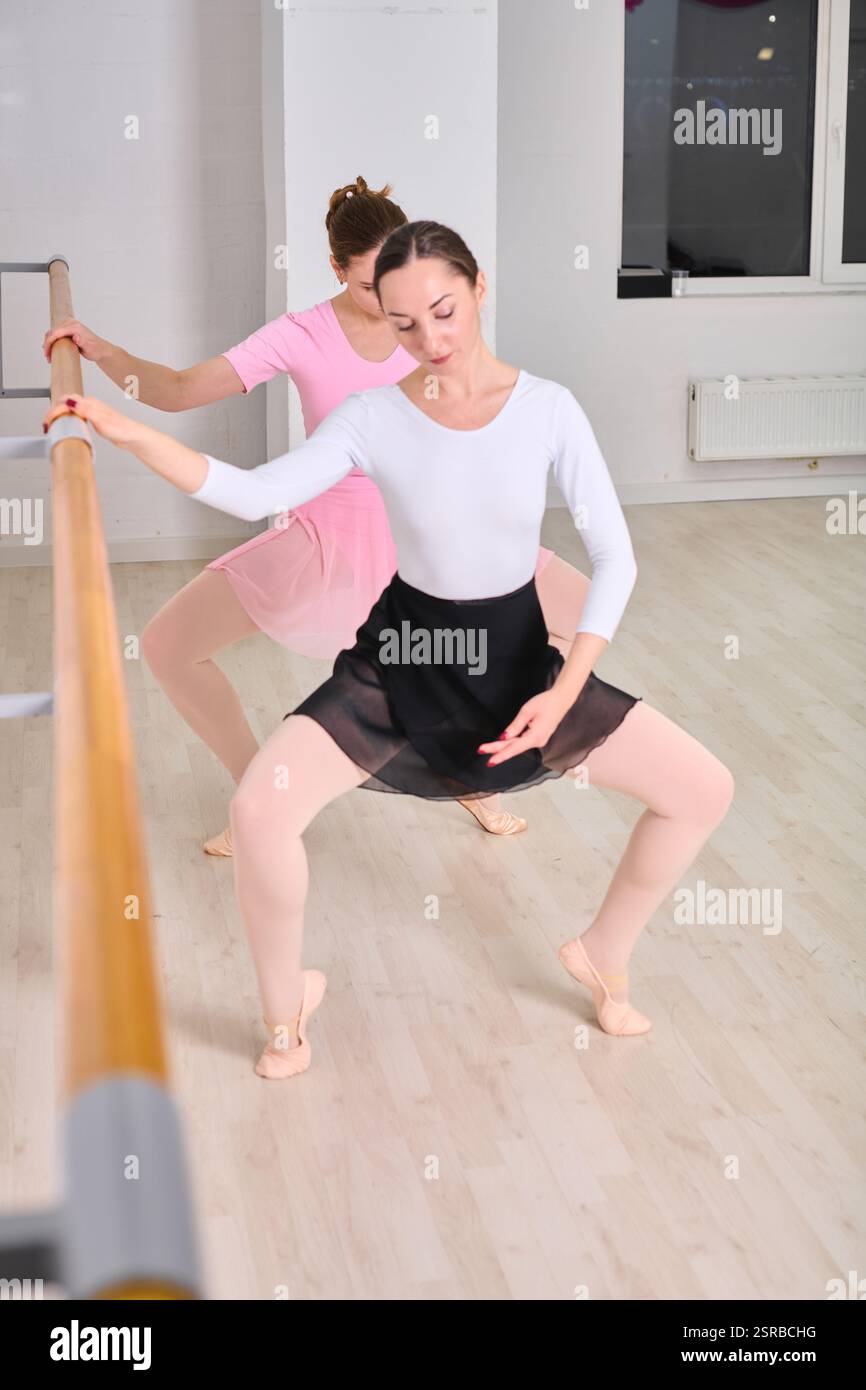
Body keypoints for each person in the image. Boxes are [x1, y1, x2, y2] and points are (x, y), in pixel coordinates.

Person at [43, 220, 735, 1081]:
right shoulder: (374, 417)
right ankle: (285, 1013)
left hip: (518, 665)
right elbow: (257, 492)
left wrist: (567, 690)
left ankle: (603, 952)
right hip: (403, 656)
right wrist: (128, 431)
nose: (431, 342)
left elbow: (616, 558)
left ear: (481, 290)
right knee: (260, 812)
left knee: (704, 788)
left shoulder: (548, 408)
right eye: (406, 325)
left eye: (445, 313)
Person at [42, 176, 594, 847]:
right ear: (336, 270)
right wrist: (105, 354)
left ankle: (469, 772)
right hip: (328, 539)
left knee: (578, 612)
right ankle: (262, 796)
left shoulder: (428, 323)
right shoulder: (302, 334)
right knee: (166, 645)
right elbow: (180, 390)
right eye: (370, 284)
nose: (391, 297)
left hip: (434, 536)